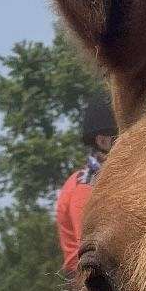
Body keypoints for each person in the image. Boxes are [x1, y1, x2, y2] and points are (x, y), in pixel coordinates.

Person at [55, 94, 117, 273]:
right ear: (102, 141)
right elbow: (91, 247)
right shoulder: (85, 188)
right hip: (91, 280)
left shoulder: (110, 179)